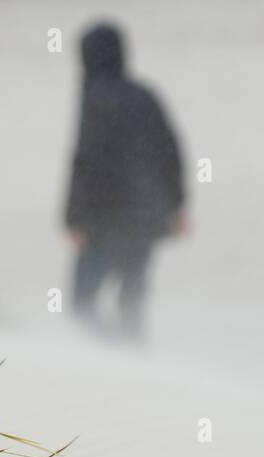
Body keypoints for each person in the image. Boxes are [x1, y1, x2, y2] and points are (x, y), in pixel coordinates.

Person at [65, 22, 186, 341]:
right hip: (144, 219)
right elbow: (170, 154)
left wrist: (74, 218)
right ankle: (134, 359)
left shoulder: (94, 96)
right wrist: (177, 206)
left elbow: (86, 161)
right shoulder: (144, 95)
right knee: (131, 298)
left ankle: (106, 360)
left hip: (101, 222)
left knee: (82, 302)